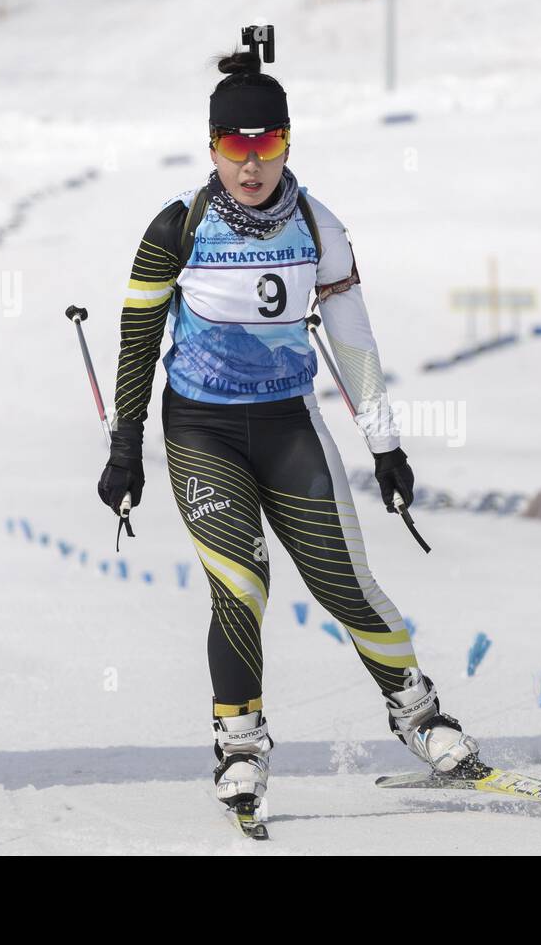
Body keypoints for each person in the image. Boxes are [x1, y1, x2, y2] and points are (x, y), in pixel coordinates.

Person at [97, 47, 478, 818]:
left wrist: (386, 443)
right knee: (242, 585)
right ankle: (239, 747)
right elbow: (138, 342)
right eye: (235, 145)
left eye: (266, 144)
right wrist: (124, 447)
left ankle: (421, 717)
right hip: (201, 429)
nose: (250, 163)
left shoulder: (318, 226)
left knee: (347, 583)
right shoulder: (177, 226)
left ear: (287, 143)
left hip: (287, 424)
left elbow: (353, 341)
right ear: (212, 147)